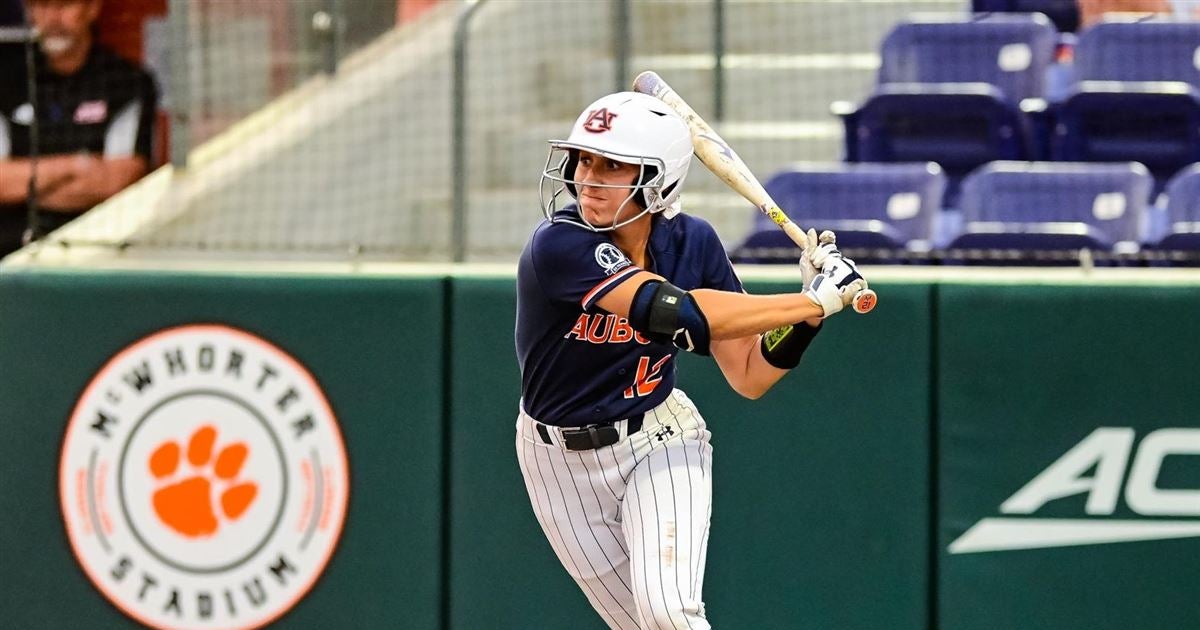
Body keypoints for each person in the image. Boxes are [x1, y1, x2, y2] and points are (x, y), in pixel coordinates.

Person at [514, 91, 868, 629]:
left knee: (668, 614)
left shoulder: (693, 243)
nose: (588, 176)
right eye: (584, 159)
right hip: (554, 461)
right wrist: (816, 298)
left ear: (658, 182)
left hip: (657, 439)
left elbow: (749, 373)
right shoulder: (558, 244)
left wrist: (809, 316)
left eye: (613, 166)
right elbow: (673, 312)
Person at [0, 0, 157, 257]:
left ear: (92, 9)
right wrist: (77, 165)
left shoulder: (126, 81)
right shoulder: (7, 80)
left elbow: (120, 180)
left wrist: (26, 184)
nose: (52, 18)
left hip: (98, 249)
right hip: (10, 251)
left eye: (64, 5)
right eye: (42, 5)